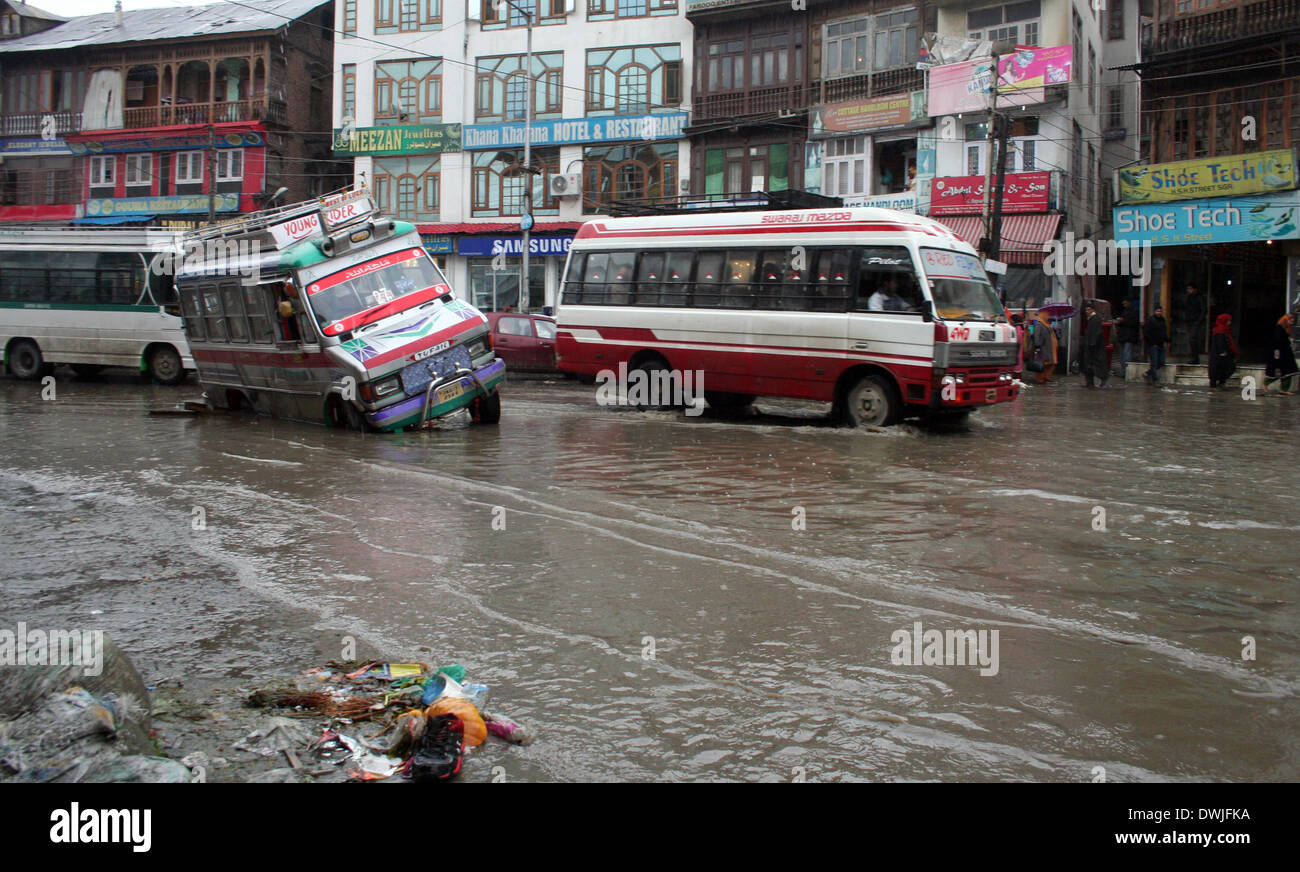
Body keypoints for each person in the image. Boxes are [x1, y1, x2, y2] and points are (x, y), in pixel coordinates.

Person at [1264, 312, 1298, 395]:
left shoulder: (1286, 328)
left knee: (1289, 371)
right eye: (1290, 320)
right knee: (1277, 370)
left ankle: (1284, 389)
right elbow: (1277, 341)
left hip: (1287, 353)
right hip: (1280, 352)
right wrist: (1277, 353)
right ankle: (1266, 383)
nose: (1291, 322)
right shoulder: (1279, 328)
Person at [1208, 312, 1237, 390]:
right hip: (1219, 355)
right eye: (1228, 320)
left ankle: (1221, 383)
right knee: (1216, 369)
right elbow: (1219, 342)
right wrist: (1222, 352)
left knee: (1227, 368)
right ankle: (1214, 385)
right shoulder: (1219, 330)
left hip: (1225, 354)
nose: (1229, 322)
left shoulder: (1225, 330)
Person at [1082, 303, 1109, 388]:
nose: (1087, 311)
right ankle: (1090, 383)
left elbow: (1095, 334)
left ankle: (1102, 379)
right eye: (1086, 310)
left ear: (1093, 310)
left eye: (1089, 309)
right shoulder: (1091, 319)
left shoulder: (1095, 319)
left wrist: (1091, 344)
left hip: (1094, 348)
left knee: (1095, 365)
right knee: (1088, 366)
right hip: (1090, 347)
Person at [1142, 304, 1169, 386]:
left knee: (1161, 362)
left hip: (1160, 344)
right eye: (1157, 311)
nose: (1159, 312)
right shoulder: (1151, 320)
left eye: (1160, 311)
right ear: (1154, 311)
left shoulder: (1162, 320)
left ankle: (1148, 373)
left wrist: (1167, 340)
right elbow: (1146, 333)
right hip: (1153, 345)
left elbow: (1164, 332)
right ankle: (1155, 380)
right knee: (1154, 363)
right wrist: (1151, 342)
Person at [1031, 307, 1058, 384]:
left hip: (1050, 349)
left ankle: (1046, 378)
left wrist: (1054, 329)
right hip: (1043, 348)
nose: (1048, 316)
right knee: (1043, 364)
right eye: (1046, 315)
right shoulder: (1039, 324)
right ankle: (1040, 379)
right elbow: (1037, 336)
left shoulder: (1047, 325)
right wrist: (1037, 346)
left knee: (1050, 364)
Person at [1183, 283, 1207, 364]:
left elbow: (1203, 310)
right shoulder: (1189, 298)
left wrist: (1199, 321)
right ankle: (1194, 358)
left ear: (1194, 289)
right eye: (1188, 289)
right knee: (1191, 339)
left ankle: (1195, 358)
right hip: (1190, 320)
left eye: (1190, 289)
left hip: (1196, 321)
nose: (1189, 290)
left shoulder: (1199, 297)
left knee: (1193, 339)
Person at [1115, 298, 1140, 377]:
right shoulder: (1124, 311)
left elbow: (1134, 323)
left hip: (1129, 337)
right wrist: (1119, 322)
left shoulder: (1135, 312)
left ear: (1129, 302)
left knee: (1127, 355)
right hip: (1122, 336)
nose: (1124, 305)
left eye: (1125, 303)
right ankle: (1123, 371)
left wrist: (1123, 321)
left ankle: (1127, 372)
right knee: (1122, 356)